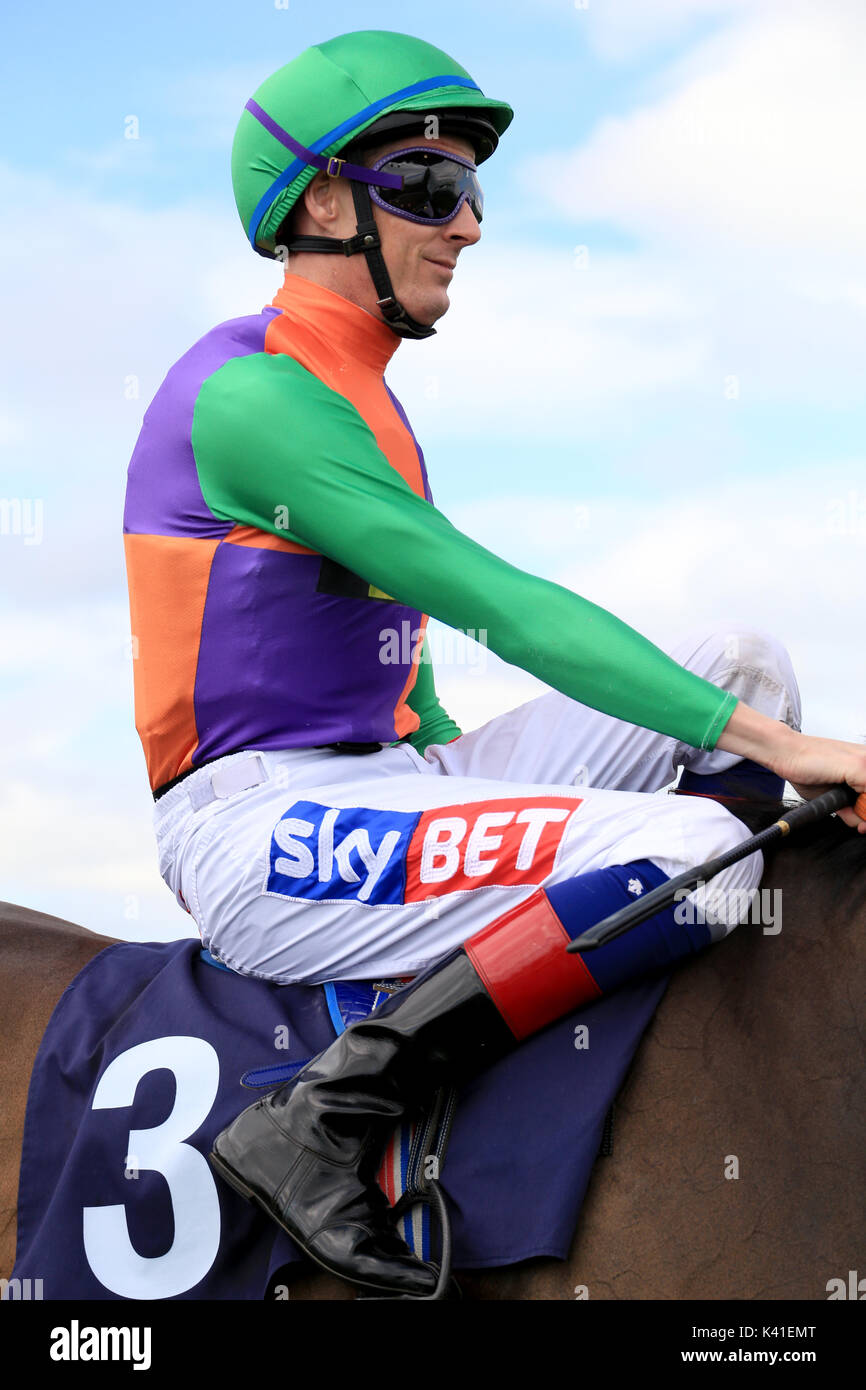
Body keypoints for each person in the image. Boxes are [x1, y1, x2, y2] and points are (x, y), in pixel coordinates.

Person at [123, 30, 866, 1298]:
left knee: (738, 660)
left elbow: (399, 672)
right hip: (250, 830)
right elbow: (498, 604)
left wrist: (471, 781)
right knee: (689, 844)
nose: (463, 224)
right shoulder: (251, 395)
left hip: (383, 777)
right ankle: (327, 1120)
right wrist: (799, 758)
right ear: (318, 202)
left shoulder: (360, 395)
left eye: (470, 191)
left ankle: (677, 970)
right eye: (425, 185)